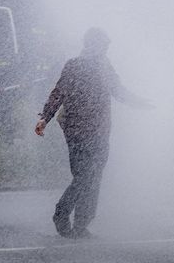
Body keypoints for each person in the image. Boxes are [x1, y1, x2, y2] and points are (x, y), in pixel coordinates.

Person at [35, 28, 152, 237]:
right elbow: (59, 93)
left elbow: (117, 90)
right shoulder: (80, 65)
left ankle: (81, 224)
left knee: (90, 177)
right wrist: (45, 117)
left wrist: (139, 102)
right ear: (93, 45)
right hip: (83, 132)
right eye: (104, 45)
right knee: (87, 176)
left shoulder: (99, 65)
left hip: (91, 131)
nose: (105, 49)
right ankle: (63, 214)